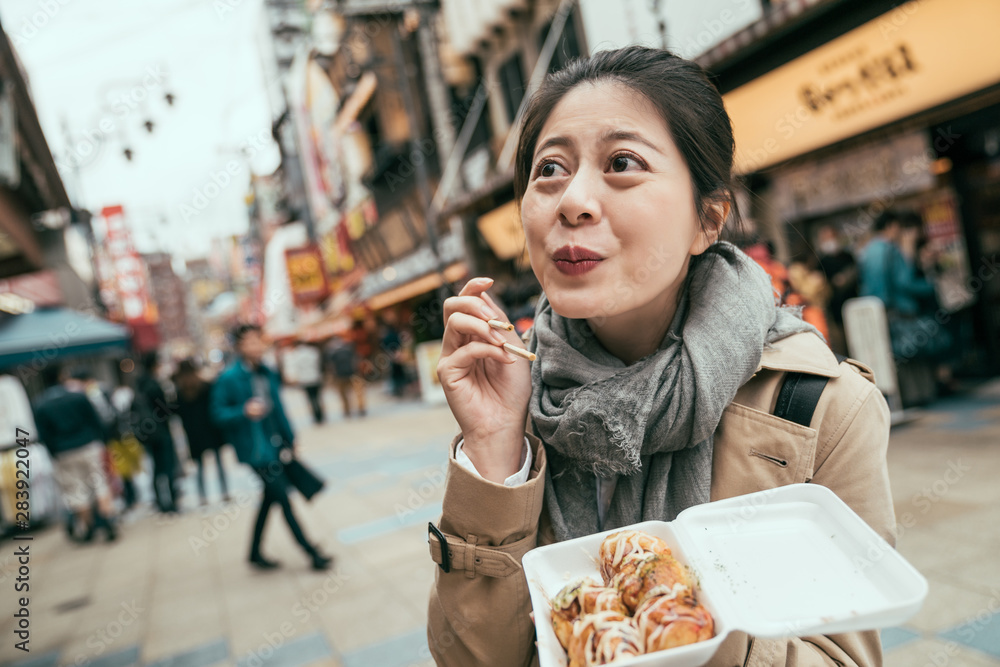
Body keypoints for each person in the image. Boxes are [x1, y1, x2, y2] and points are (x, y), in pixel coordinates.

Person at [427, 46, 893, 667]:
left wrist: (682, 632)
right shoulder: (523, 398)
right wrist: (492, 450)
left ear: (708, 219)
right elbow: (475, 659)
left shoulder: (822, 411)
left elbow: (847, 655)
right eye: (549, 171)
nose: (573, 201)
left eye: (623, 162)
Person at [210, 324, 332, 571]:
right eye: (249, 342)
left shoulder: (268, 373)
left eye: (258, 341)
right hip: (255, 452)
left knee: (270, 499)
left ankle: (254, 553)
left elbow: (279, 410)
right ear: (240, 346)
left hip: (274, 447)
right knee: (283, 500)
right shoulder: (229, 378)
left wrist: (290, 439)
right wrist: (243, 411)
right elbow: (217, 414)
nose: (255, 346)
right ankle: (311, 553)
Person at [32, 364, 117, 542]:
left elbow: (44, 434)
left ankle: (89, 527)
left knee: (77, 491)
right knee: (99, 482)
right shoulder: (78, 396)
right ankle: (108, 522)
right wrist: (102, 441)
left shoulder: (40, 404)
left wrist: (54, 453)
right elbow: (95, 421)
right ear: (62, 376)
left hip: (64, 452)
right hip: (88, 445)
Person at [173, 359, 230, 505]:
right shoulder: (205, 386)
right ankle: (225, 492)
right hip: (211, 429)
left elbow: (178, 414)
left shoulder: (180, 392)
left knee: (199, 466)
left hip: (194, 433)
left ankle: (202, 496)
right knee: (219, 462)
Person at [134, 351, 180, 513]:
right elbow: (165, 410)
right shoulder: (154, 385)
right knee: (167, 467)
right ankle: (171, 500)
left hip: (148, 433)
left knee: (156, 467)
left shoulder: (139, 384)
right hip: (161, 431)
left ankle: (160, 501)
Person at [815, 225, 858, 355]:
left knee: (857, 338)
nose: (829, 241)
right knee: (843, 343)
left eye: (831, 237)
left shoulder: (848, 256)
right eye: (825, 238)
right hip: (836, 310)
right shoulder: (821, 261)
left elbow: (856, 273)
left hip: (854, 303)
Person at [324, 336, 367, 418]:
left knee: (343, 395)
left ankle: (347, 410)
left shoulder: (331, 352)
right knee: (359, 392)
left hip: (339, 375)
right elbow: (356, 360)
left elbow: (330, 366)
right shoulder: (349, 349)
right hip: (353, 373)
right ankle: (361, 408)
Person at [284, 342, 325, 423]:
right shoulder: (313, 352)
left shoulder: (296, 355)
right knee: (317, 397)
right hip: (315, 377)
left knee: (310, 398)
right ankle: (320, 414)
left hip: (305, 379)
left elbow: (294, 367)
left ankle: (316, 415)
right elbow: (319, 364)